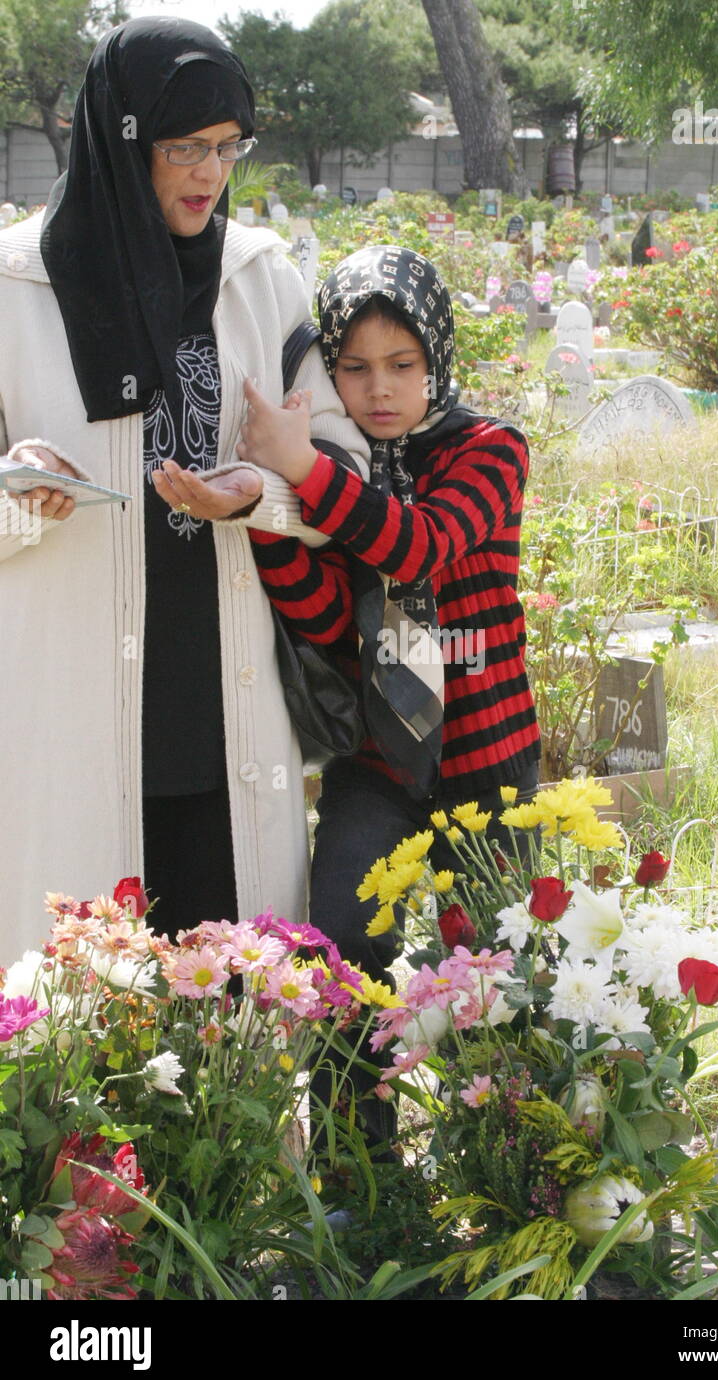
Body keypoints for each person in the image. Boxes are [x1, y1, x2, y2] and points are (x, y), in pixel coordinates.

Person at [0, 18, 368, 959]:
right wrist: (18, 492)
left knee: (230, 994)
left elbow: (344, 471)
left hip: (224, 702)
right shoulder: (14, 289)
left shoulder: (259, 281)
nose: (209, 173)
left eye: (226, 146)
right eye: (182, 148)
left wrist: (264, 493)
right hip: (69, 700)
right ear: (121, 138)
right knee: (86, 1006)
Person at [240, 244, 542, 990]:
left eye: (401, 364)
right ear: (328, 372)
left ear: (434, 357)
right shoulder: (344, 468)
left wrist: (304, 475)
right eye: (354, 368)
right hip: (376, 762)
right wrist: (266, 511)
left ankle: (491, 1110)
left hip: (487, 764)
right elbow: (332, 615)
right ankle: (351, 1110)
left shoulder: (490, 449)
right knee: (339, 947)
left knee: (491, 976)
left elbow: (417, 546)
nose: (379, 390)